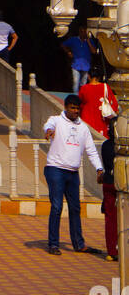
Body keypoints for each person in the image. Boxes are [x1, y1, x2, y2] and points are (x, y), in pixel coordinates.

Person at [43, 94, 104, 255]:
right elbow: (48, 125)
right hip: (55, 169)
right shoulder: (56, 120)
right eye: (73, 108)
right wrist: (48, 131)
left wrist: (99, 169)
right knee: (57, 206)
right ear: (66, 107)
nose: (76, 111)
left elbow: (91, 151)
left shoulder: (83, 128)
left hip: (73, 173)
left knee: (75, 208)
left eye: (78, 109)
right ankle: (53, 244)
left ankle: (79, 244)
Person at [78, 68, 119, 137]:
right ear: (99, 77)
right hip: (101, 121)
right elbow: (114, 104)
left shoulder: (84, 88)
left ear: (88, 76)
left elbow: (79, 104)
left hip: (86, 120)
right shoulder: (105, 87)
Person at [61, 25, 99, 93]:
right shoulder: (74, 39)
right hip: (76, 65)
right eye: (81, 32)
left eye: (84, 32)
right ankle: (75, 98)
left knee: (83, 84)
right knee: (75, 83)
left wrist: (88, 41)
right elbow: (63, 45)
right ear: (79, 32)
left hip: (86, 66)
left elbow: (94, 51)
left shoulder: (90, 41)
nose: (83, 33)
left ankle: (81, 98)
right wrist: (68, 52)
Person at [100, 120, 118, 262]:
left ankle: (112, 251)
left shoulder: (106, 145)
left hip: (108, 183)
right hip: (120, 185)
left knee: (110, 219)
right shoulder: (122, 147)